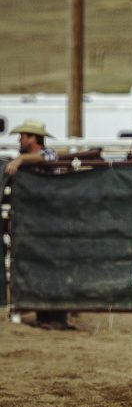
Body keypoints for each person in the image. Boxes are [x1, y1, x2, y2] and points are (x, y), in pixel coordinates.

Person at [4, 119, 73, 329]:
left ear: (32, 138)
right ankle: (46, 315)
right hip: (42, 225)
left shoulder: (44, 156)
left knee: (52, 268)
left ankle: (55, 316)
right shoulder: (31, 160)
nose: (19, 139)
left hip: (50, 225)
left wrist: (22, 158)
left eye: (23, 136)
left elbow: (47, 157)